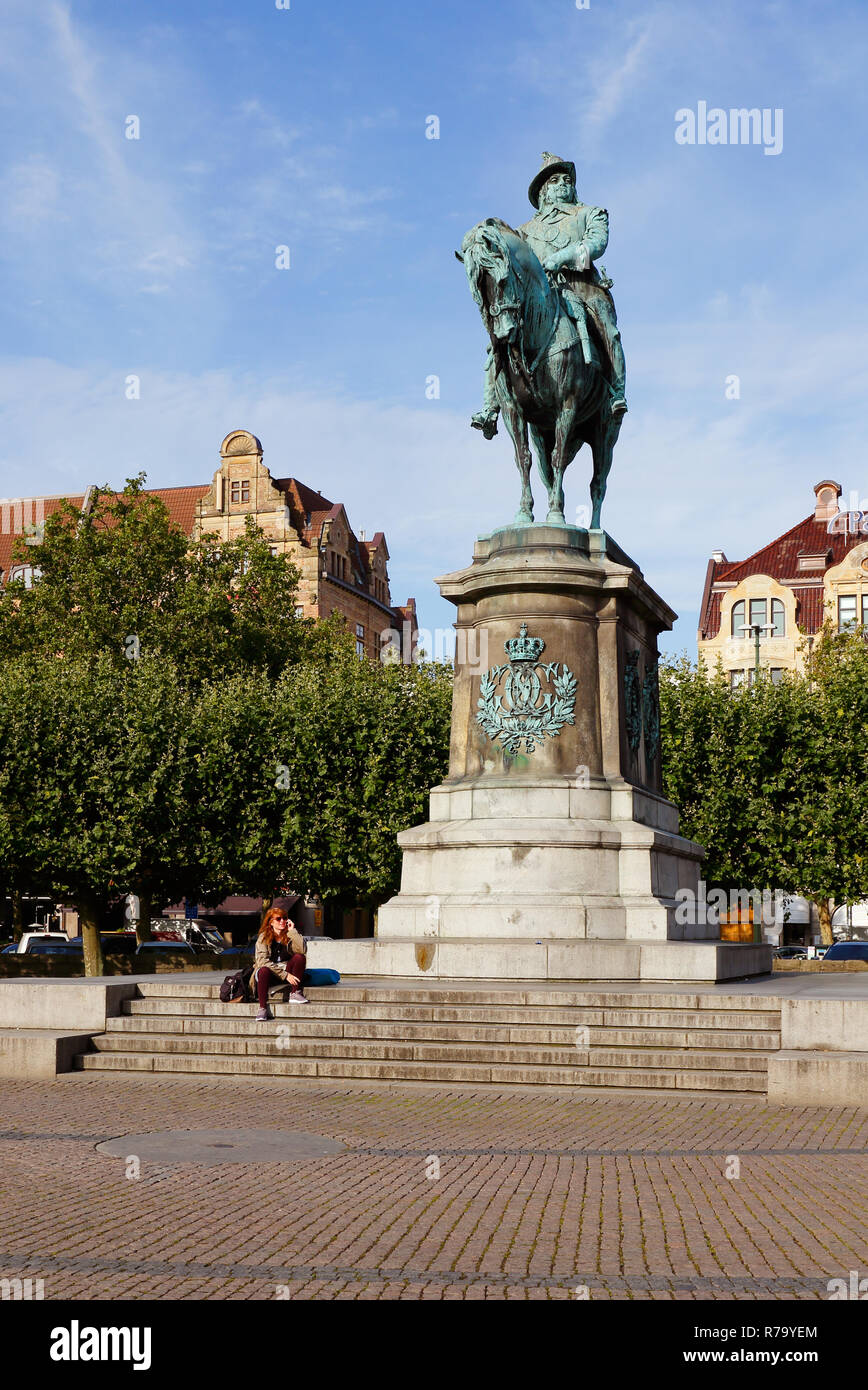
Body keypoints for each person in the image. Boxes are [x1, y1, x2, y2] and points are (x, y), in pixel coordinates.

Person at [471, 151, 626, 439]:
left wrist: (562, 257)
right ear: (543, 190)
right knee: (499, 340)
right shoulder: (524, 231)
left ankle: (616, 390)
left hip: (581, 286)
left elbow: (597, 244)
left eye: (567, 179)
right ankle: (490, 406)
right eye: (554, 180)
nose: (563, 184)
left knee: (609, 327)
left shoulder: (589, 213)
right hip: (539, 300)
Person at [252, 906, 308, 1021]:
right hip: (269, 974)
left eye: (284, 918)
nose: (282, 921)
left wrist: (293, 931)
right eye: (278, 919)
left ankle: (294, 993)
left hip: (286, 972)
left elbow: (302, 950)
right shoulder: (263, 937)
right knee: (263, 970)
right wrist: (285, 975)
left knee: (299, 957)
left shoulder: (289, 935)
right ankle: (262, 1008)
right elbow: (262, 961)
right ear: (271, 922)